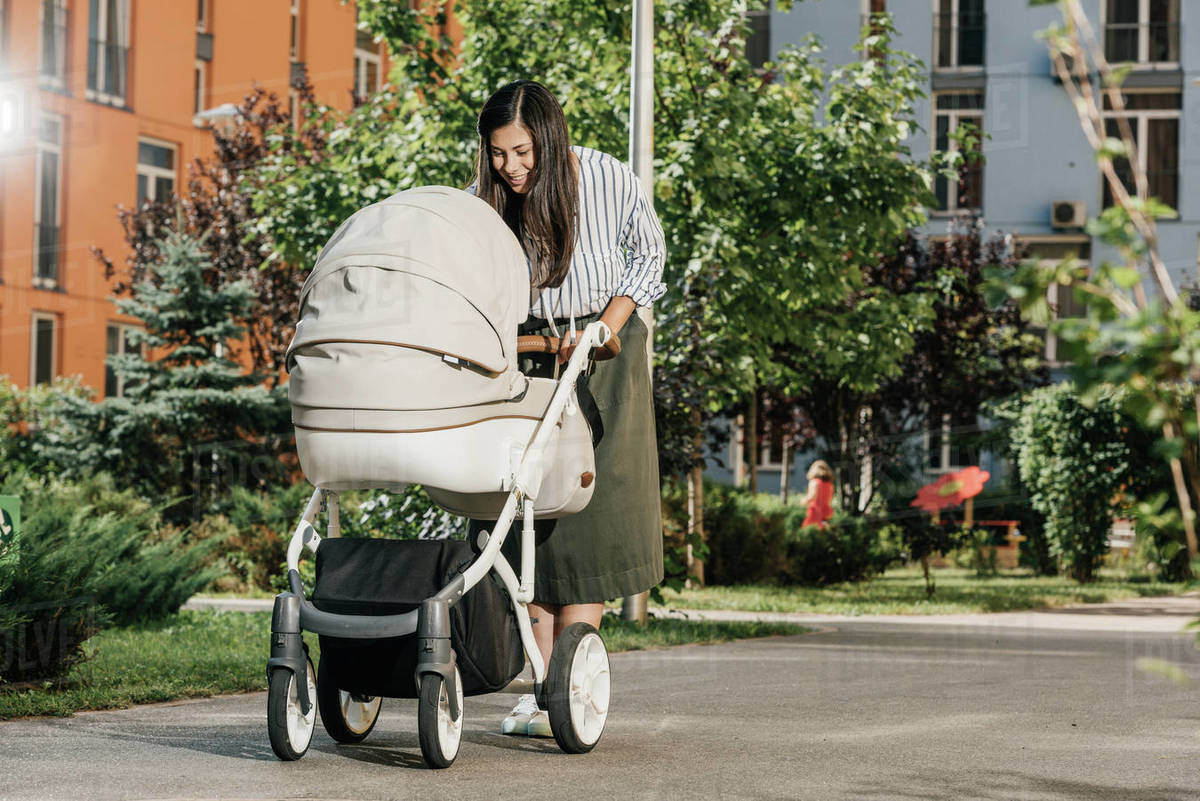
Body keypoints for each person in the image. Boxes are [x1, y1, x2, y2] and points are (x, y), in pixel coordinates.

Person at [470, 80, 667, 737]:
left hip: (603, 353)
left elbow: (651, 254)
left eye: (522, 151)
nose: (512, 168)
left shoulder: (606, 177)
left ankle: (567, 683)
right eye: (498, 155)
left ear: (549, 139)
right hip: (527, 352)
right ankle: (539, 682)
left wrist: (606, 326)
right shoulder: (490, 200)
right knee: (530, 512)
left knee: (591, 509)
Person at [801, 460, 834, 528]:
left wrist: (804, 500)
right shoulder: (830, 484)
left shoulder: (814, 482)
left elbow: (813, 496)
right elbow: (830, 498)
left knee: (809, 530)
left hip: (815, 512)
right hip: (826, 512)